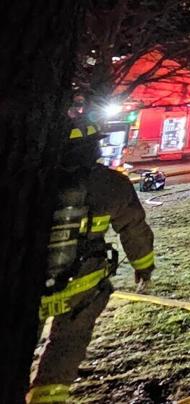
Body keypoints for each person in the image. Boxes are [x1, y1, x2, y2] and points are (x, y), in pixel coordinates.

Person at [29, 119, 155, 403]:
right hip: (83, 285)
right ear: (93, 147)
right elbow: (134, 229)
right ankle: (46, 399)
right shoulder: (112, 184)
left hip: (28, 282)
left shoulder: (27, 176)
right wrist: (144, 266)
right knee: (68, 342)